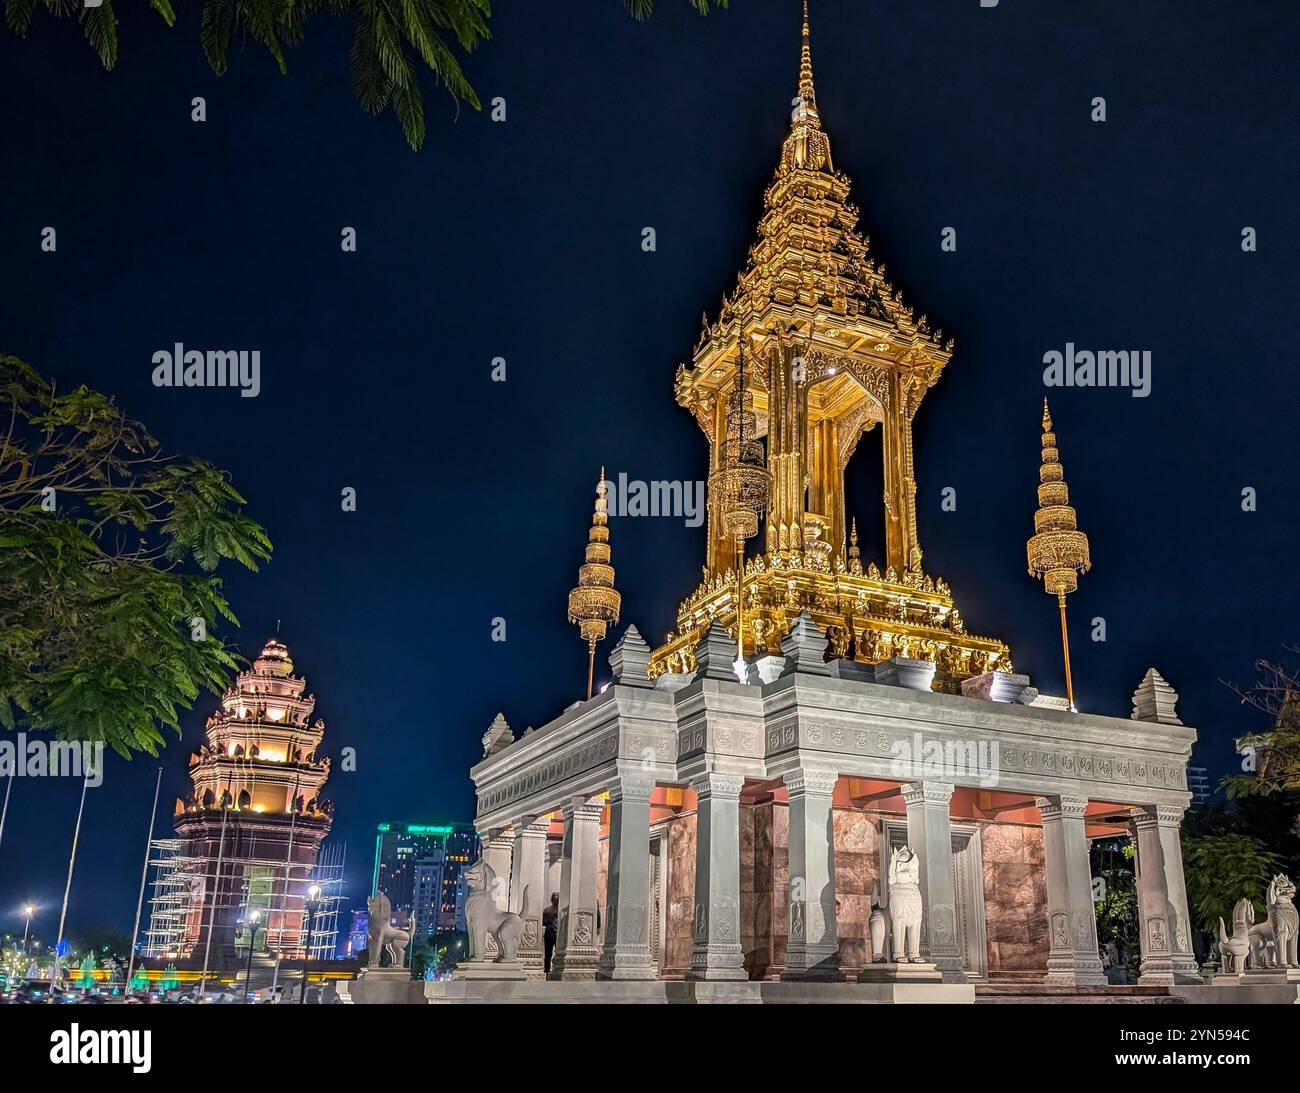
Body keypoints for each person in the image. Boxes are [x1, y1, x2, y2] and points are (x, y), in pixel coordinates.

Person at [542, 892, 560, 975]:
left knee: (550, 954)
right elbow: (544, 922)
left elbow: (544, 923)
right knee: (550, 954)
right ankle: (548, 970)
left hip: (552, 934)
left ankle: (548, 970)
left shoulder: (547, 910)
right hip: (553, 935)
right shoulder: (548, 910)